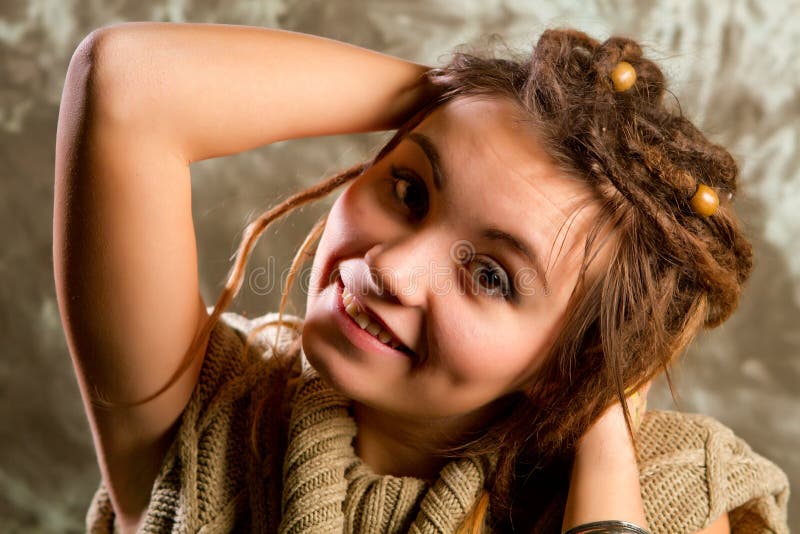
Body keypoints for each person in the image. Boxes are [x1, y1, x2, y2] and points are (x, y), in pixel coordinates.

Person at [53, 22, 789, 533]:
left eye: (492, 277)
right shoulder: (205, 413)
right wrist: (471, 93)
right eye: (408, 191)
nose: (389, 268)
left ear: (568, 364)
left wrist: (601, 426)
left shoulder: (666, 489)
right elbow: (125, 83)